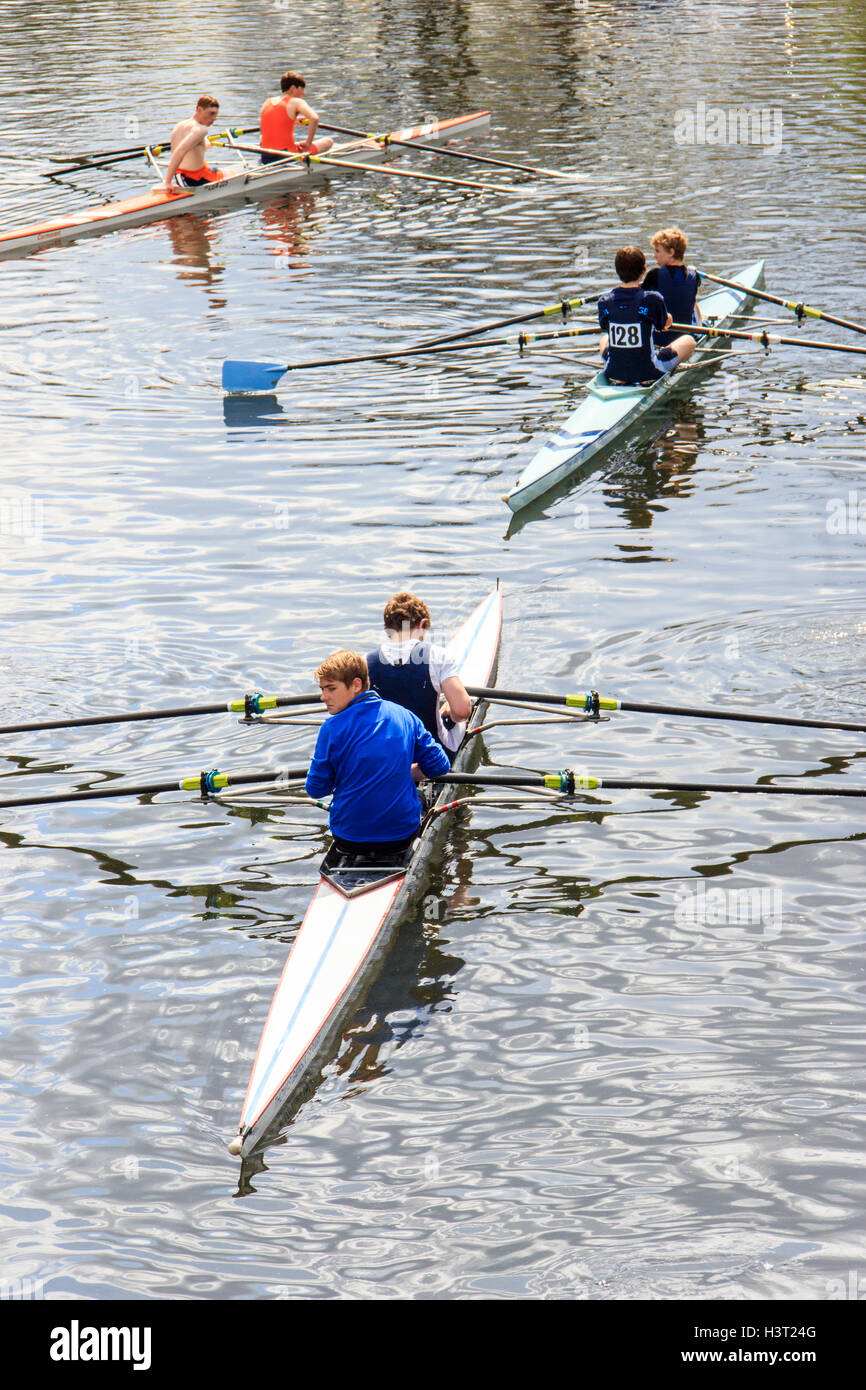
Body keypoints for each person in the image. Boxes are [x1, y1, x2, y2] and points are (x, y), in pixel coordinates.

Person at [305, 649, 450, 858]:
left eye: (331, 689)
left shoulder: (330, 728)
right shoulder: (405, 716)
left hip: (348, 840)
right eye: (322, 689)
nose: (323, 697)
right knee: (420, 794)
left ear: (356, 685)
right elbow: (441, 766)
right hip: (400, 837)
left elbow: (316, 790)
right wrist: (408, 773)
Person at [366, 592, 472, 757]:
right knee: (460, 715)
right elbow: (462, 712)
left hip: (384, 758)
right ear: (422, 624)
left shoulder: (365, 661)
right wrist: (450, 712)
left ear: (388, 630)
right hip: (431, 755)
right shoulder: (438, 656)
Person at [597, 245, 696, 387]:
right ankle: (647, 372)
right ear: (644, 270)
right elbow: (663, 326)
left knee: (604, 338)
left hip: (614, 372)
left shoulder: (604, 301)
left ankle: (622, 376)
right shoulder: (652, 299)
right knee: (689, 341)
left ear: (617, 271)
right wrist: (669, 318)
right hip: (649, 372)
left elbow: (603, 325)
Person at [642, 227, 702, 345]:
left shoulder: (654, 275)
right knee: (694, 305)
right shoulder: (694, 276)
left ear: (671, 252)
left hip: (658, 340)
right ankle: (700, 327)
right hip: (685, 340)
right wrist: (693, 272)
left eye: (658, 251)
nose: (654, 256)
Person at [259, 71, 334, 164]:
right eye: (301, 89)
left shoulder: (268, 101)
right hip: (287, 157)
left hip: (266, 157)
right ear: (293, 88)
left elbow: (268, 129)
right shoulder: (296, 102)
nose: (303, 93)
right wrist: (308, 143)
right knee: (328, 141)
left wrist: (293, 121)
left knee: (293, 143)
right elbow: (314, 118)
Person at [161, 96, 225, 192]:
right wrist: (168, 183)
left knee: (228, 172)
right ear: (199, 110)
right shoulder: (201, 130)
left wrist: (205, 142)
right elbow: (179, 152)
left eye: (216, 114)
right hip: (193, 180)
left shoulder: (180, 125)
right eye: (211, 114)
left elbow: (194, 146)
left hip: (180, 176)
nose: (214, 118)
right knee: (233, 174)